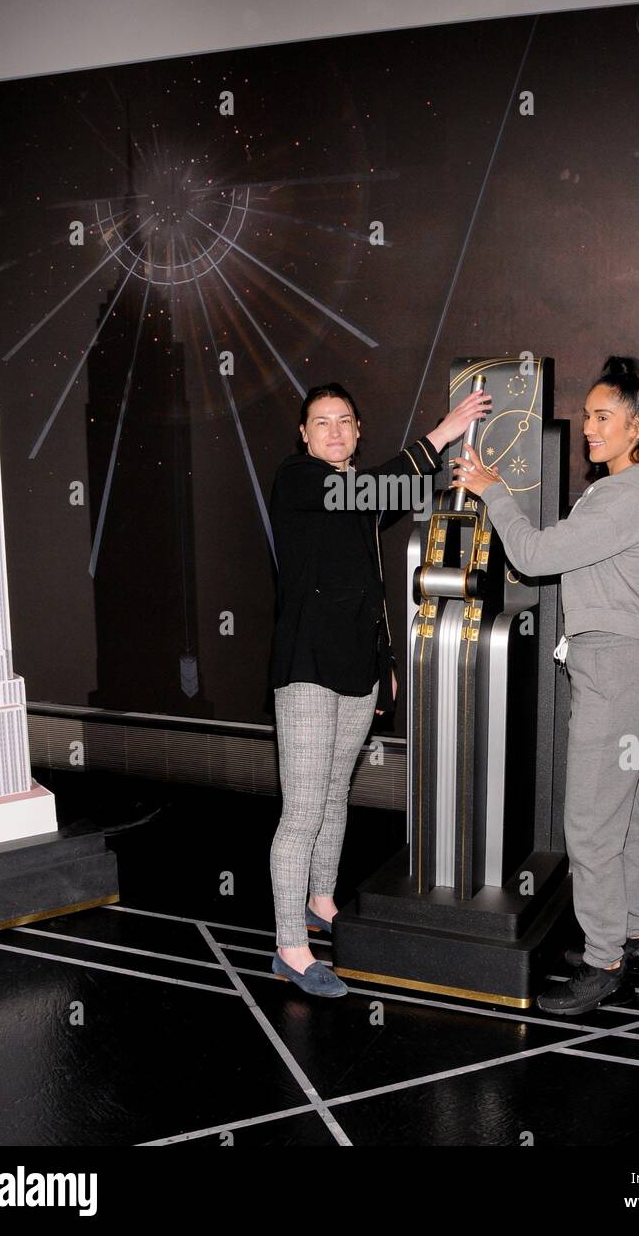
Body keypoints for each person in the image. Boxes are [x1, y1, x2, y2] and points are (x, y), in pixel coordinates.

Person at [451, 355, 639, 1016]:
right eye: (588, 415)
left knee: (590, 825)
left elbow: (533, 556)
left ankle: (604, 964)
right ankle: (630, 933)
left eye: (602, 418)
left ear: (636, 426)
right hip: (621, 664)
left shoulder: (630, 494)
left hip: (613, 669)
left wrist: (491, 490)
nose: (588, 428)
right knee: (620, 815)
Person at [268, 381, 491, 997]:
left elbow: (370, 584)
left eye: (345, 420)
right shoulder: (299, 480)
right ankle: (291, 945)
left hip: (359, 669)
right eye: (321, 422)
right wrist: (441, 433)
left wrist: (386, 659)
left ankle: (320, 902)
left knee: (335, 797)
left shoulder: (358, 498)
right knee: (303, 811)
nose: (334, 431)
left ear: (358, 430)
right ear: (303, 435)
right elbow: (377, 486)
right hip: (308, 669)